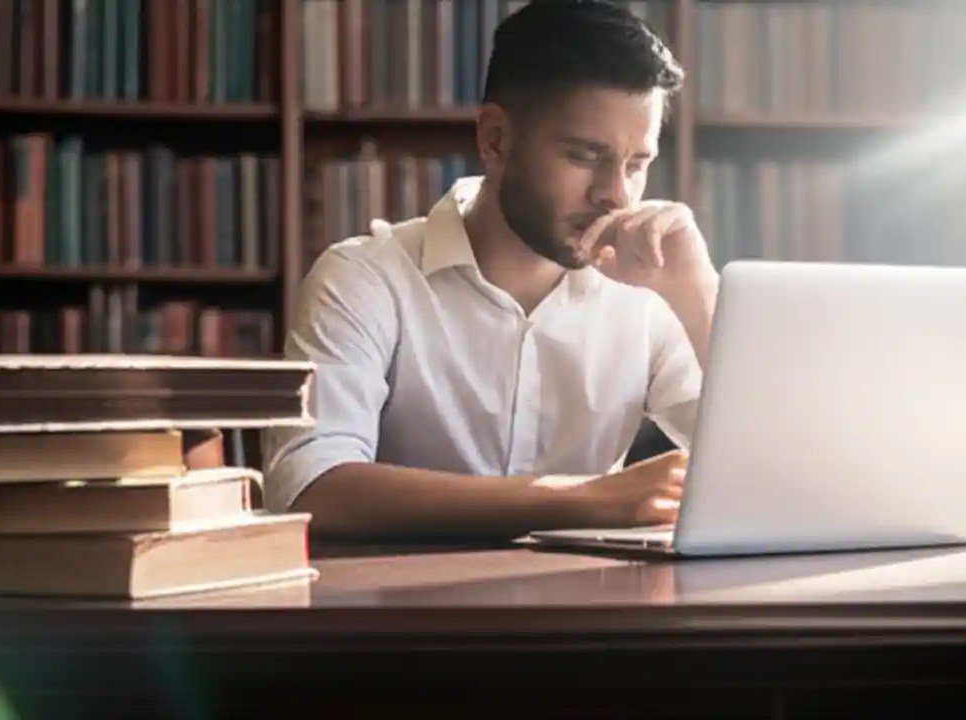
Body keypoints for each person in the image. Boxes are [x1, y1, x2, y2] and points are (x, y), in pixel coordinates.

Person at [262, 0, 718, 541]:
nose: (614, 194)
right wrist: (583, 498)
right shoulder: (364, 279)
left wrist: (698, 293)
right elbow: (310, 488)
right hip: (394, 619)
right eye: (584, 156)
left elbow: (771, 465)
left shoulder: (648, 297)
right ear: (495, 140)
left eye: (637, 164)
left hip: (595, 618)